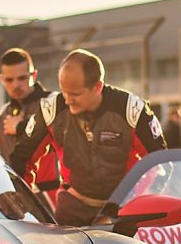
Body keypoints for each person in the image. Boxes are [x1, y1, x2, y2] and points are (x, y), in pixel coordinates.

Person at [9, 49, 166, 226]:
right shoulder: (51, 111)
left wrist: (134, 202)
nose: (68, 100)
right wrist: (21, 206)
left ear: (97, 87)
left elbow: (160, 164)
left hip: (123, 210)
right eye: (64, 92)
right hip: (72, 210)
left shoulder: (133, 110)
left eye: (75, 94)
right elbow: (21, 159)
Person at [0, 47, 59, 201]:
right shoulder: (5, 112)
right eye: (9, 80)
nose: (16, 84)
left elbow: (66, 139)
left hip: (52, 198)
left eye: (22, 78)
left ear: (33, 75)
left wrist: (21, 127)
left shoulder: (54, 102)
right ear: (1, 79)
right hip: (13, 196)